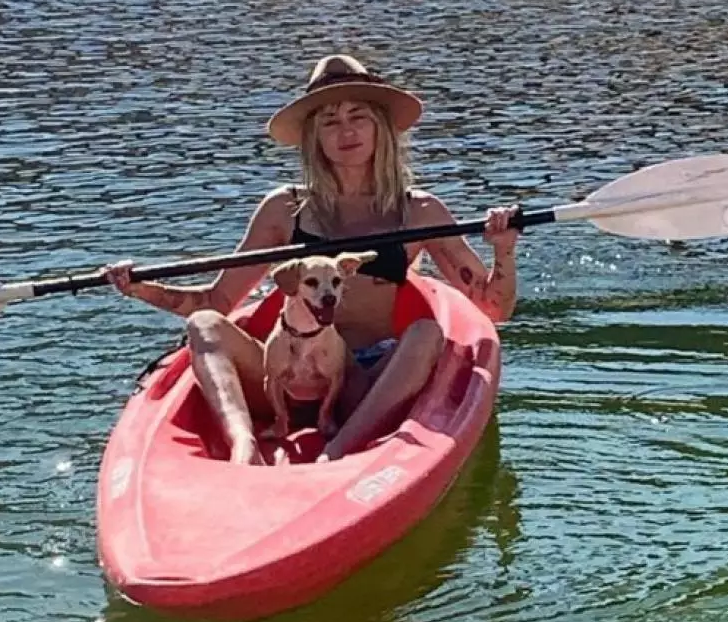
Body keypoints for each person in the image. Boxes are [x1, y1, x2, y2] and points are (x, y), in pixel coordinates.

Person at [105, 54, 519, 465]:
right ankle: (243, 444)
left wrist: (502, 249)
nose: (346, 131)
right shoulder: (283, 209)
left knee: (427, 332)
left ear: (381, 127)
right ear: (313, 137)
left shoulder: (420, 211)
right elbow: (216, 303)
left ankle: (340, 448)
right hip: (284, 375)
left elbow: (493, 308)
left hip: (366, 381)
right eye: (329, 121)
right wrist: (140, 287)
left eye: (358, 116)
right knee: (204, 326)